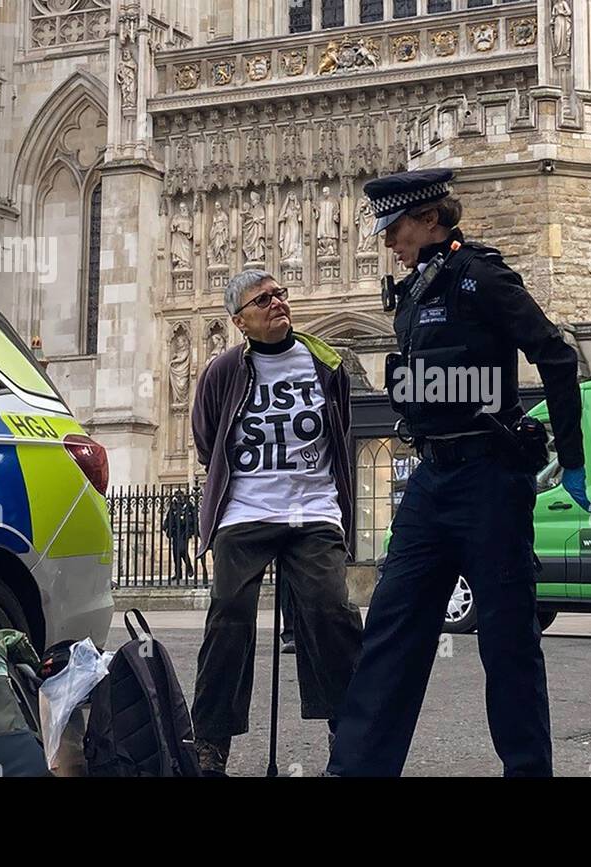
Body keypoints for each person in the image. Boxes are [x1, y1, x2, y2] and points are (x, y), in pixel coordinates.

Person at [326, 168, 591, 777]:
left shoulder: (483, 277)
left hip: (489, 479)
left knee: (507, 641)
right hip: (432, 479)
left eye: (394, 228)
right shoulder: (417, 290)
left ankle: (527, 770)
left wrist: (570, 457)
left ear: (428, 219)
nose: (387, 241)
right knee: (392, 627)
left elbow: (555, 354)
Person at [189, 269, 364, 775]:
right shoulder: (222, 371)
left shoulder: (325, 363)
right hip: (245, 510)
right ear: (240, 321)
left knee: (330, 611)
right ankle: (210, 742)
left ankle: (348, 731)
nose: (276, 303)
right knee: (228, 617)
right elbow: (206, 440)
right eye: (262, 300)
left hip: (313, 510)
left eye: (279, 295)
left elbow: (342, 430)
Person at [163, 491, 197, 584]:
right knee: (175, 553)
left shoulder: (188, 505)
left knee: (182, 550)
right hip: (175, 532)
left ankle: (189, 567)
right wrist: (166, 528)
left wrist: (192, 529)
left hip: (184, 531)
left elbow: (194, 518)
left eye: (180, 496)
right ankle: (178, 573)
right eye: (177, 497)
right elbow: (168, 518)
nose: (179, 498)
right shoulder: (173, 506)